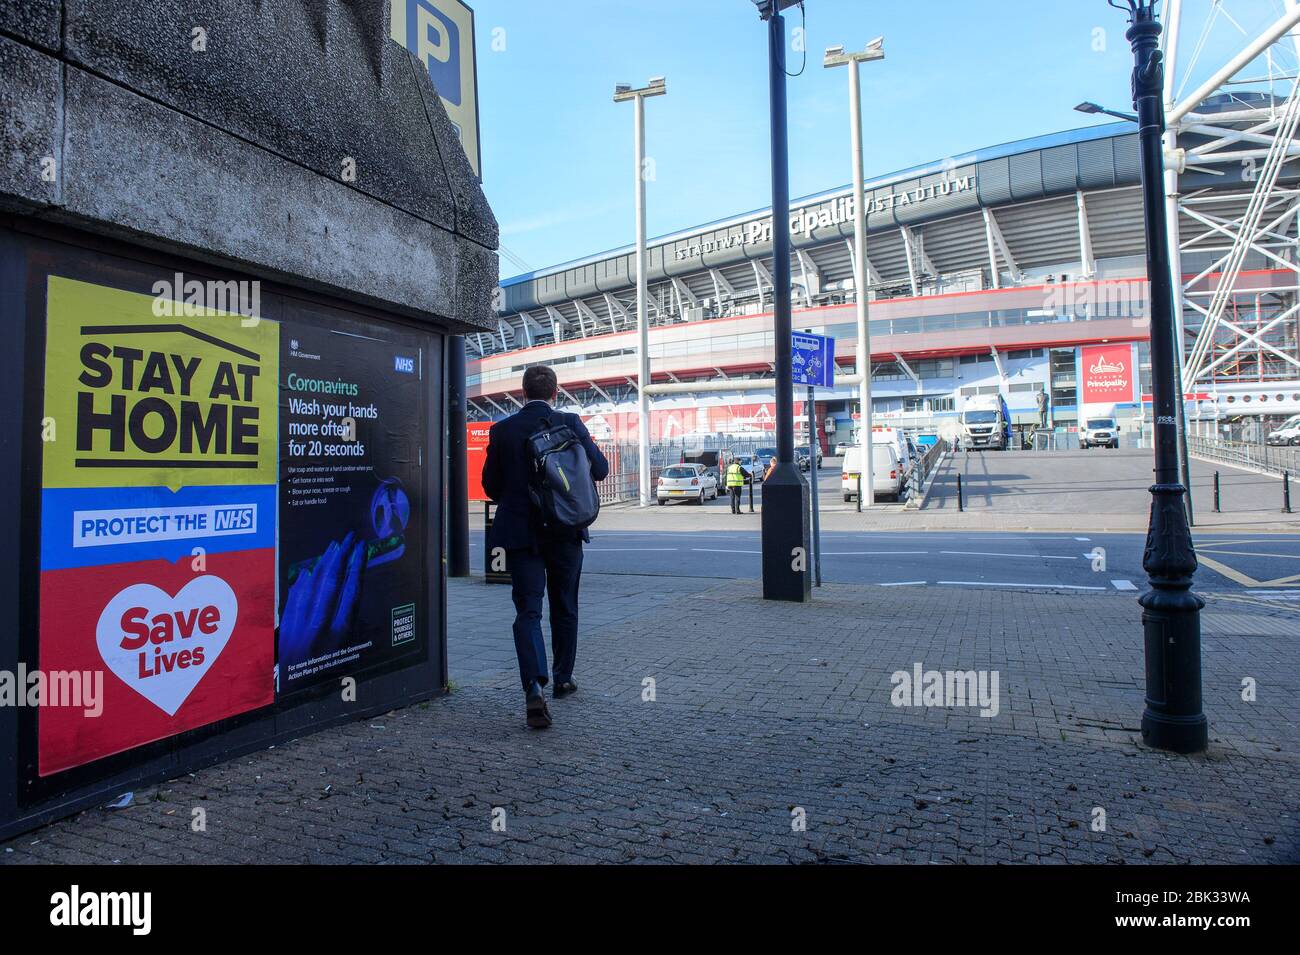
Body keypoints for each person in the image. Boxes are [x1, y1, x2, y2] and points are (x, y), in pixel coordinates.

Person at [482, 365, 609, 729]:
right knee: (565, 606)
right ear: (555, 393)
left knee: (528, 611)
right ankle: (563, 678)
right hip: (565, 530)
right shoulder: (570, 423)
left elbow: (491, 487)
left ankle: (534, 686)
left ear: (523, 393)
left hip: (521, 535)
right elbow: (600, 469)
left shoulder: (503, 430)